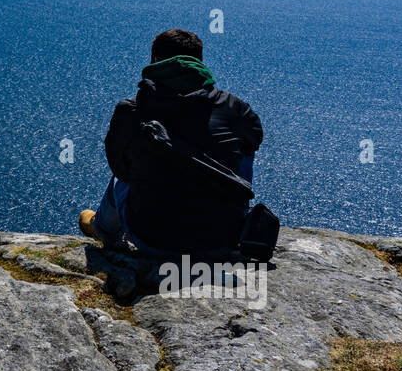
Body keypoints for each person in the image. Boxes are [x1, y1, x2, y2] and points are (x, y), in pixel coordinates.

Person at [80, 28, 264, 260]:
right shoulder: (233, 107)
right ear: (199, 62)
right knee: (245, 148)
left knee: (124, 170)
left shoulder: (132, 109)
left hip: (152, 240)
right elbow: (254, 139)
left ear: (155, 60)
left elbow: (119, 167)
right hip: (221, 241)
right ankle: (231, 215)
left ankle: (105, 231)